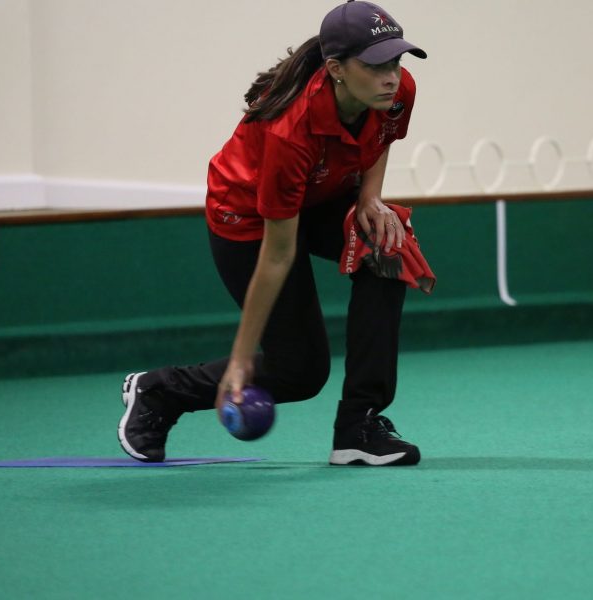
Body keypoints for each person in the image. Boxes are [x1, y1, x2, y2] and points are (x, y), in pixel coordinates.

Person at [117, 0, 429, 466]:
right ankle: (160, 390)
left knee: (387, 246)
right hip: (246, 216)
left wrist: (370, 198)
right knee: (300, 372)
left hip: (319, 198)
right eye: (375, 64)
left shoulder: (397, 89)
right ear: (336, 68)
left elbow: (380, 138)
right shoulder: (290, 130)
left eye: (395, 60)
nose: (390, 75)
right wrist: (242, 356)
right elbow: (280, 254)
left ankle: (358, 427)